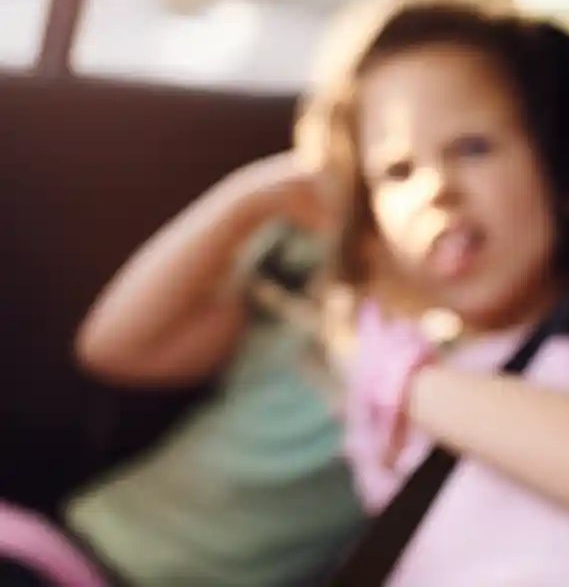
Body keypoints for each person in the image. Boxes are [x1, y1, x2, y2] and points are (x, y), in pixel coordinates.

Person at [305, 0, 569, 585]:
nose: (435, 186)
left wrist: (413, 386)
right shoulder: (403, 360)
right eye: (396, 171)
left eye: (472, 147)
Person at [66, 151, 366, 585]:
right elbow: (112, 350)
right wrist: (248, 198)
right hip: (86, 542)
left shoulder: (466, 362)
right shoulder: (303, 269)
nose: (436, 188)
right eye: (397, 167)